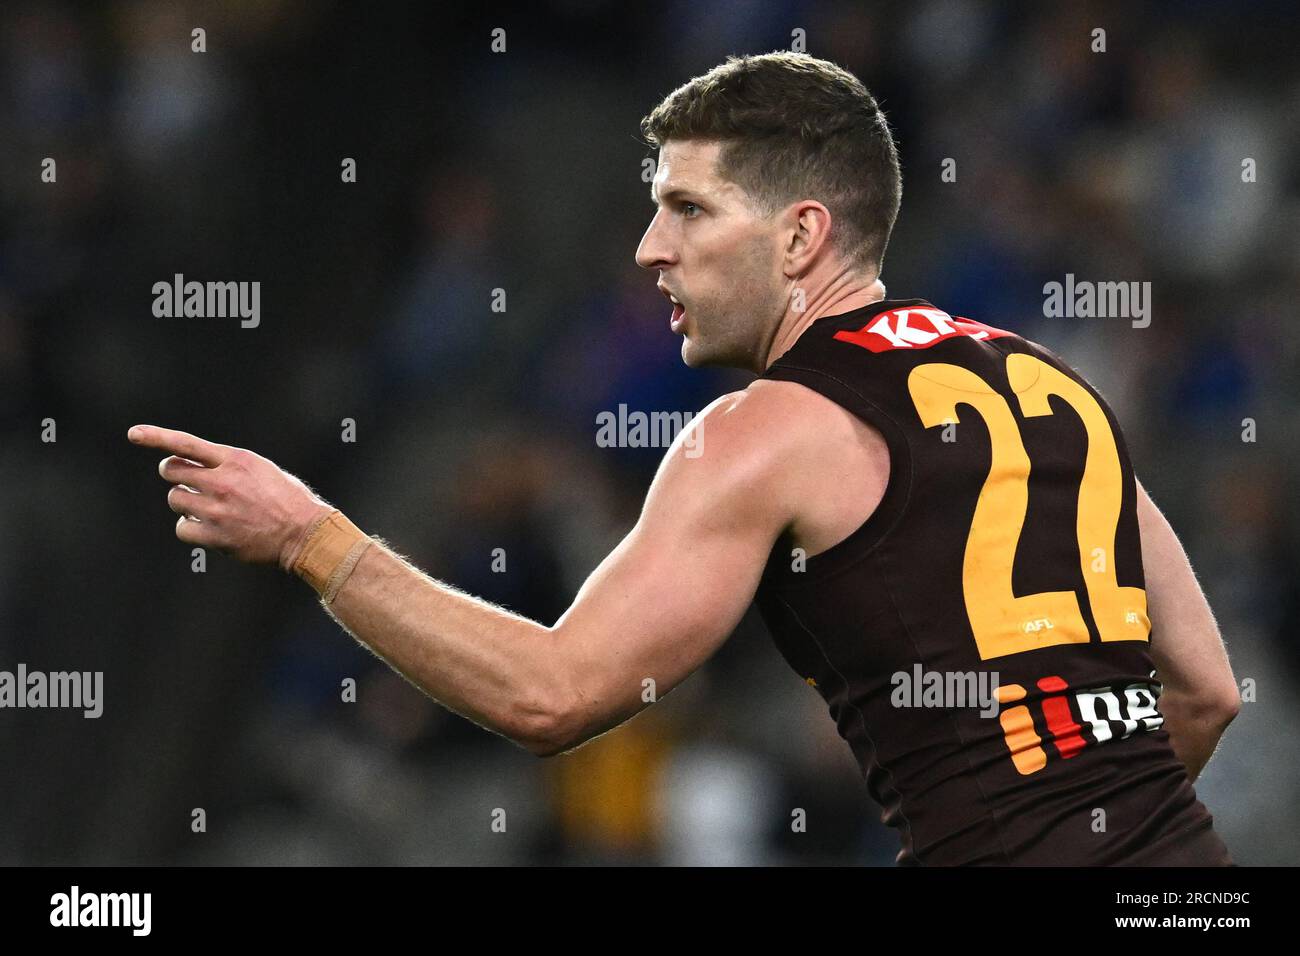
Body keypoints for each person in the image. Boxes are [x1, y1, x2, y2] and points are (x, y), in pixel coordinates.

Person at [127, 52, 1239, 865]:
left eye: (688, 209)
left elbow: (548, 693)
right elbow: (1201, 691)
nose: (649, 247)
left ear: (799, 237)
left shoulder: (763, 429)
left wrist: (309, 537)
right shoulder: (1051, 383)